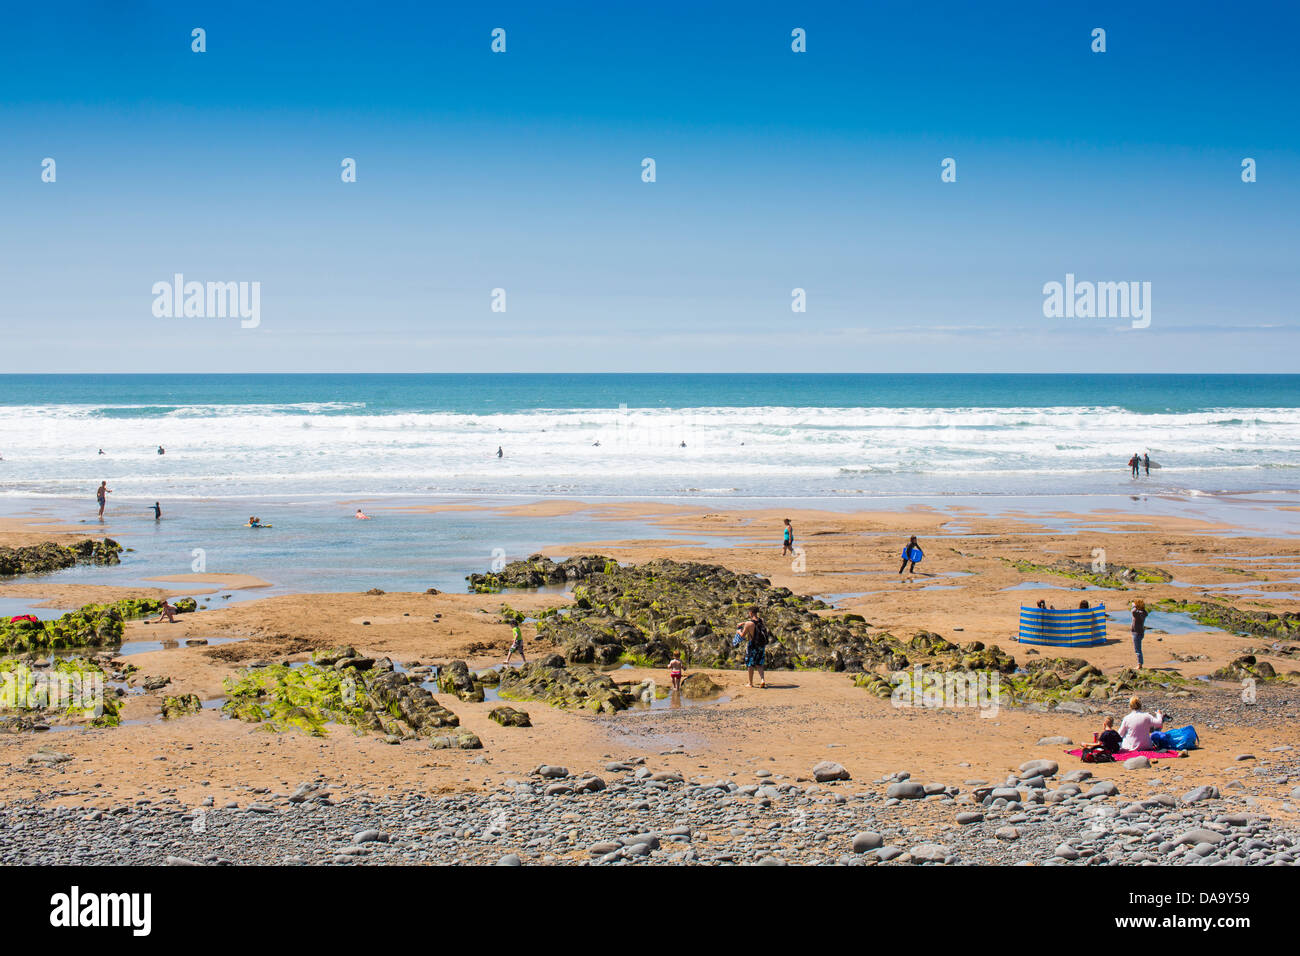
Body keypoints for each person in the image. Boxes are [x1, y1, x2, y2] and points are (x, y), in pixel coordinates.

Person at [740, 608, 769, 689]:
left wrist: (738, 631)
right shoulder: (761, 620)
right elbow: (753, 622)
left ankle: (750, 683)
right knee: (760, 663)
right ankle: (762, 680)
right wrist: (743, 622)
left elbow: (742, 635)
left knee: (750, 664)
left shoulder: (749, 624)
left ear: (751, 613)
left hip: (752, 645)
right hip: (761, 645)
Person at [1130, 599, 1148, 667]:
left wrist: (1134, 605)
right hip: (1141, 632)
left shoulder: (1136, 614)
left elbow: (1133, 611)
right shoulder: (1144, 613)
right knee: (1138, 649)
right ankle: (1140, 663)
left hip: (1136, 633)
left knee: (1137, 649)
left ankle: (1139, 664)